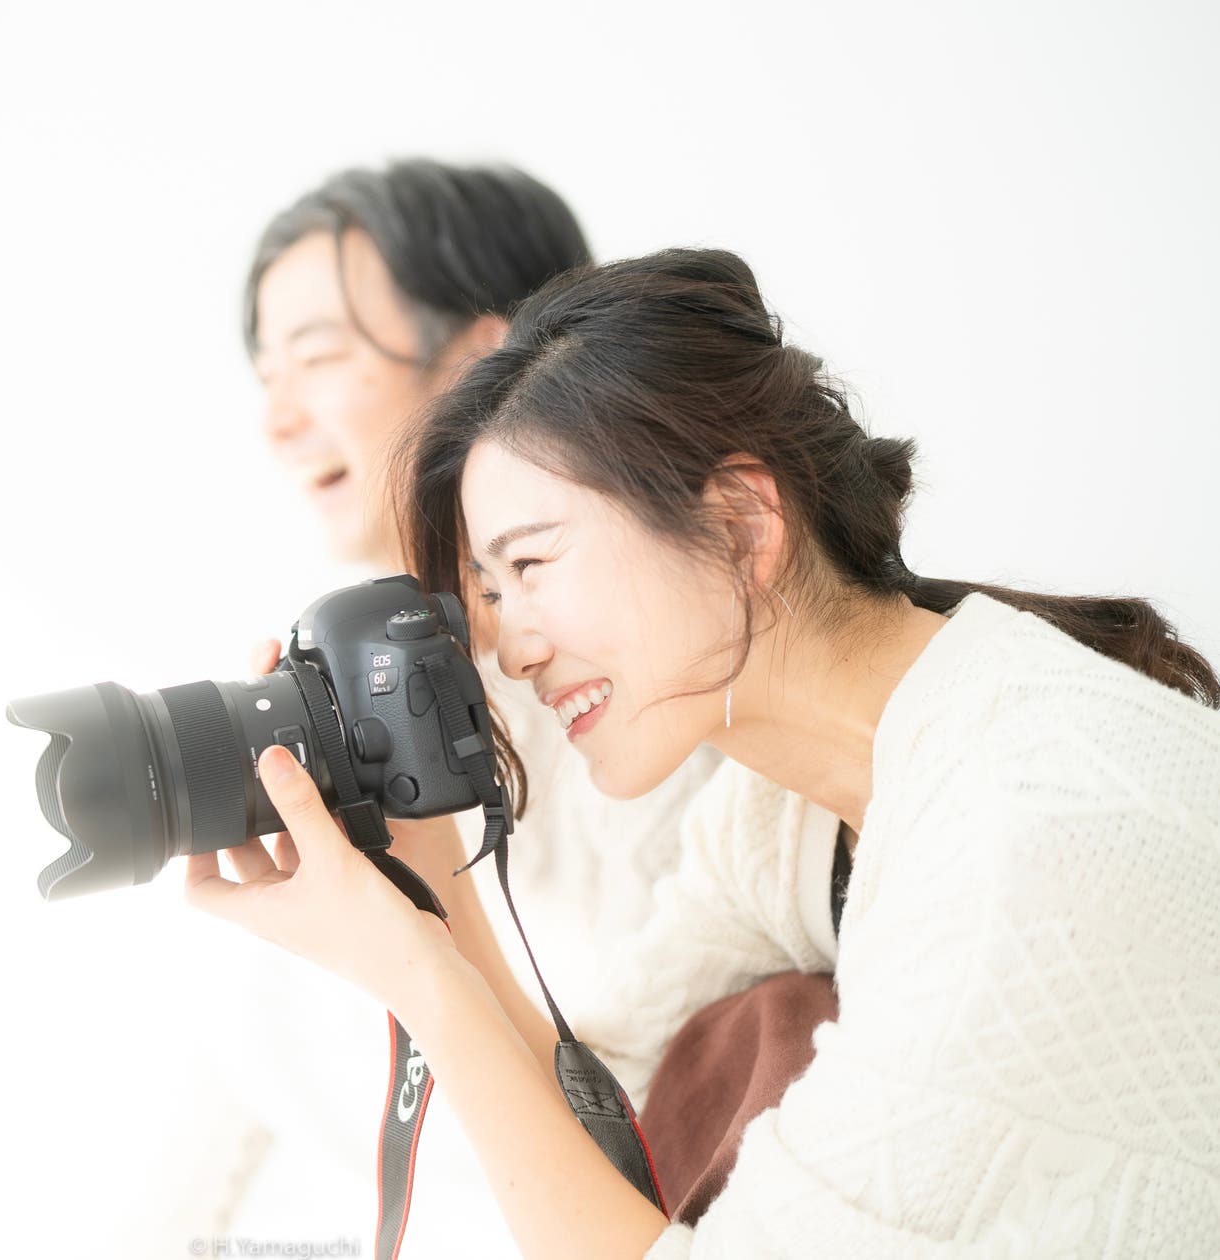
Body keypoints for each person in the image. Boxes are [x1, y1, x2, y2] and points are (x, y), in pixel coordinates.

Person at [188, 247, 1220, 1255]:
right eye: (489, 596)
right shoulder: (781, 815)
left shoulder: (1022, 847)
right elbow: (615, 1116)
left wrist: (418, 977)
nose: (504, 647)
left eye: (531, 564)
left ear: (738, 524)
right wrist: (431, 896)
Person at [181, 163, 725, 1253]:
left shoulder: (651, 717)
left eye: (321, 357)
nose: (277, 419)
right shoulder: (311, 697)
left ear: (487, 362)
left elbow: (659, 1140)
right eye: (264, 374)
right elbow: (232, 1105)